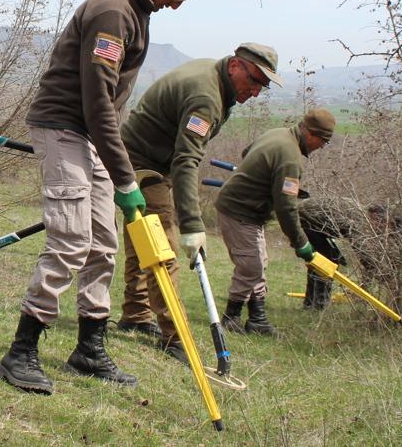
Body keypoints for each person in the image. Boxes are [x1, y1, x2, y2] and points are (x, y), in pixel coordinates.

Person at [0, 0, 205, 395]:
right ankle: (20, 352)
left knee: (104, 243)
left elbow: (107, 108)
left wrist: (119, 172)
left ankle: (90, 348)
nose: (178, 2)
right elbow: (96, 104)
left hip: (91, 134)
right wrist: (126, 177)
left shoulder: (137, 10)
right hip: (65, 128)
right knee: (70, 239)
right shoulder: (114, 11)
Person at [115, 43, 282, 364]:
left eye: (264, 85)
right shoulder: (207, 97)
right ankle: (175, 335)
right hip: (143, 164)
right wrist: (193, 225)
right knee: (162, 248)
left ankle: (136, 312)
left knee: (142, 239)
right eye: (254, 80)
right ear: (235, 65)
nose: (257, 91)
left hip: (140, 157)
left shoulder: (213, 74)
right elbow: (187, 161)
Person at [212, 108, 336, 338]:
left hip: (246, 210)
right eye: (324, 141)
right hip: (240, 211)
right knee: (252, 266)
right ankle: (232, 316)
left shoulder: (278, 133)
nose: (322, 146)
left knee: (258, 261)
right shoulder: (290, 158)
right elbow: (286, 207)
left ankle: (258, 319)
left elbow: (246, 152)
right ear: (311, 134)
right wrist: (301, 244)